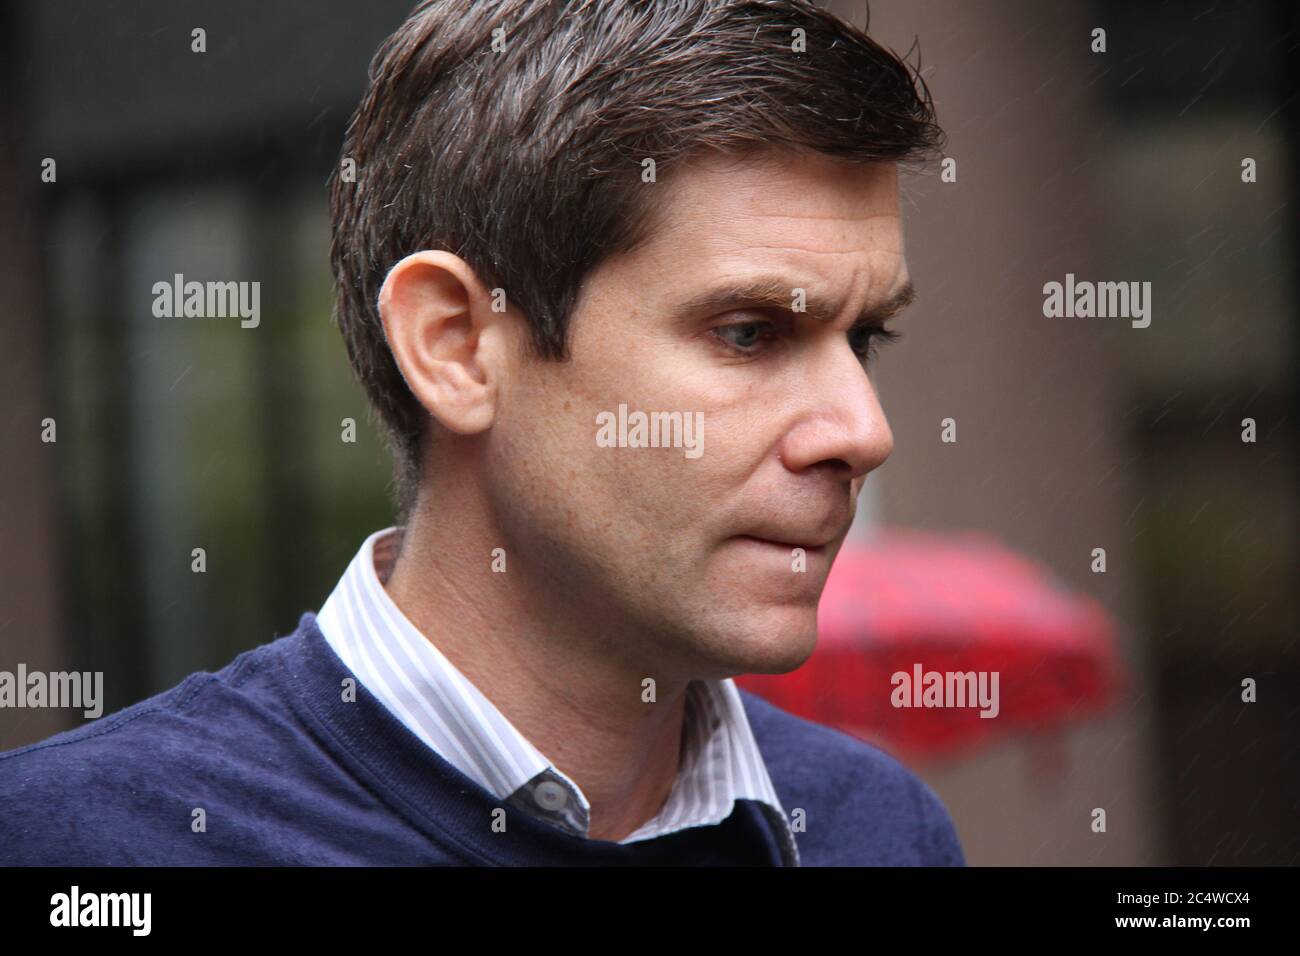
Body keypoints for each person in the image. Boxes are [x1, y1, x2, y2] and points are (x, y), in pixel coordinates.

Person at [0, 0, 963, 866]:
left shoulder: (874, 832)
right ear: (455, 346)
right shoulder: (80, 842)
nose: (862, 431)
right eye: (749, 332)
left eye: (864, 337)